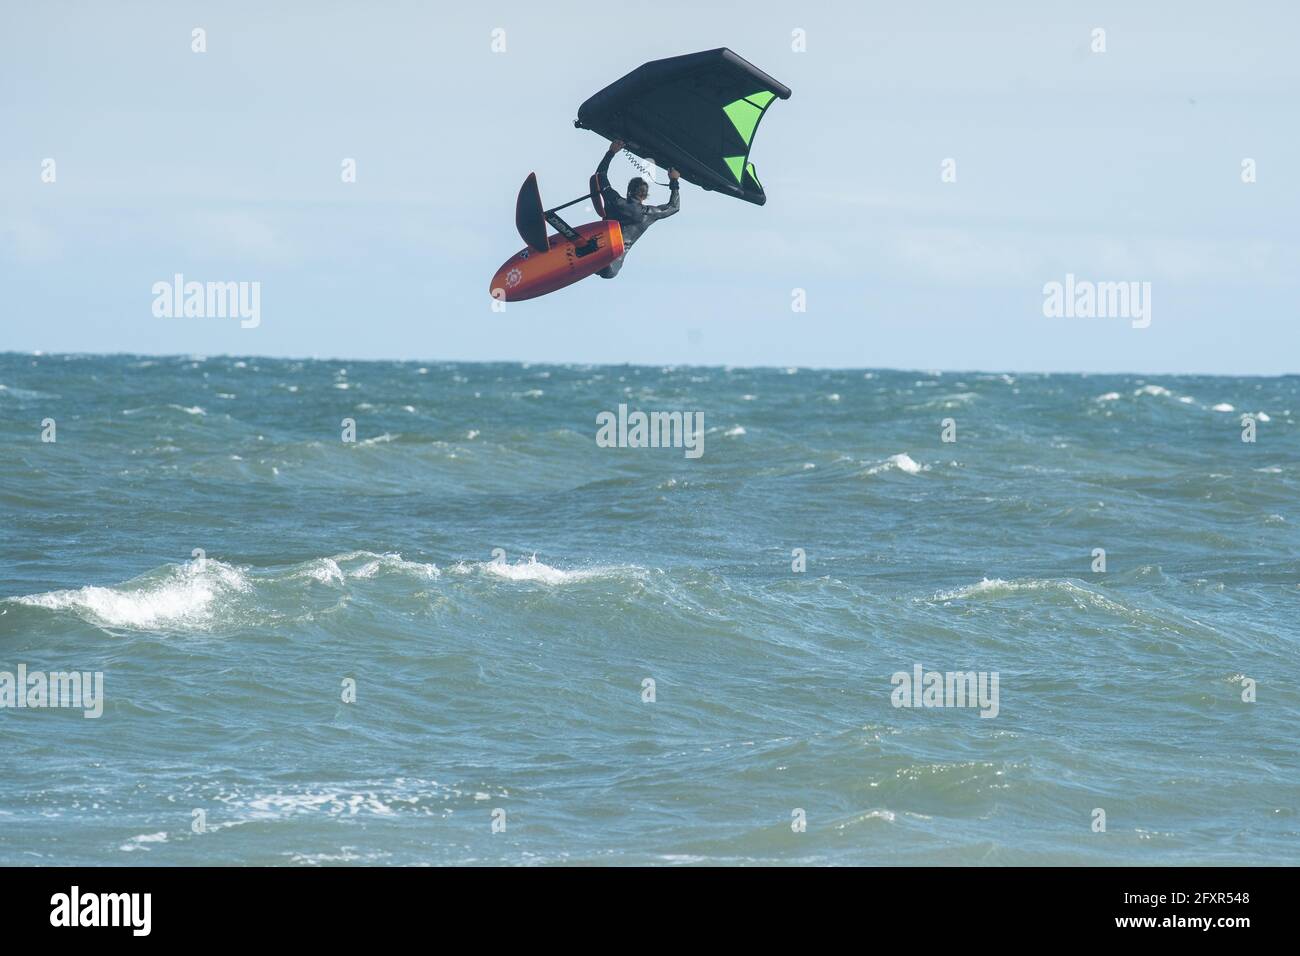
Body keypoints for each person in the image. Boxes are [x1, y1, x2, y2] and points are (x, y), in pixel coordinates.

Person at [593, 140, 680, 278]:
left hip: (595, 256)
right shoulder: (649, 214)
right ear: (645, 196)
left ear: (628, 192)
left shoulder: (615, 201)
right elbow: (674, 207)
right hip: (613, 267)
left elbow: (600, 175)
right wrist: (674, 181)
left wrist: (611, 152)